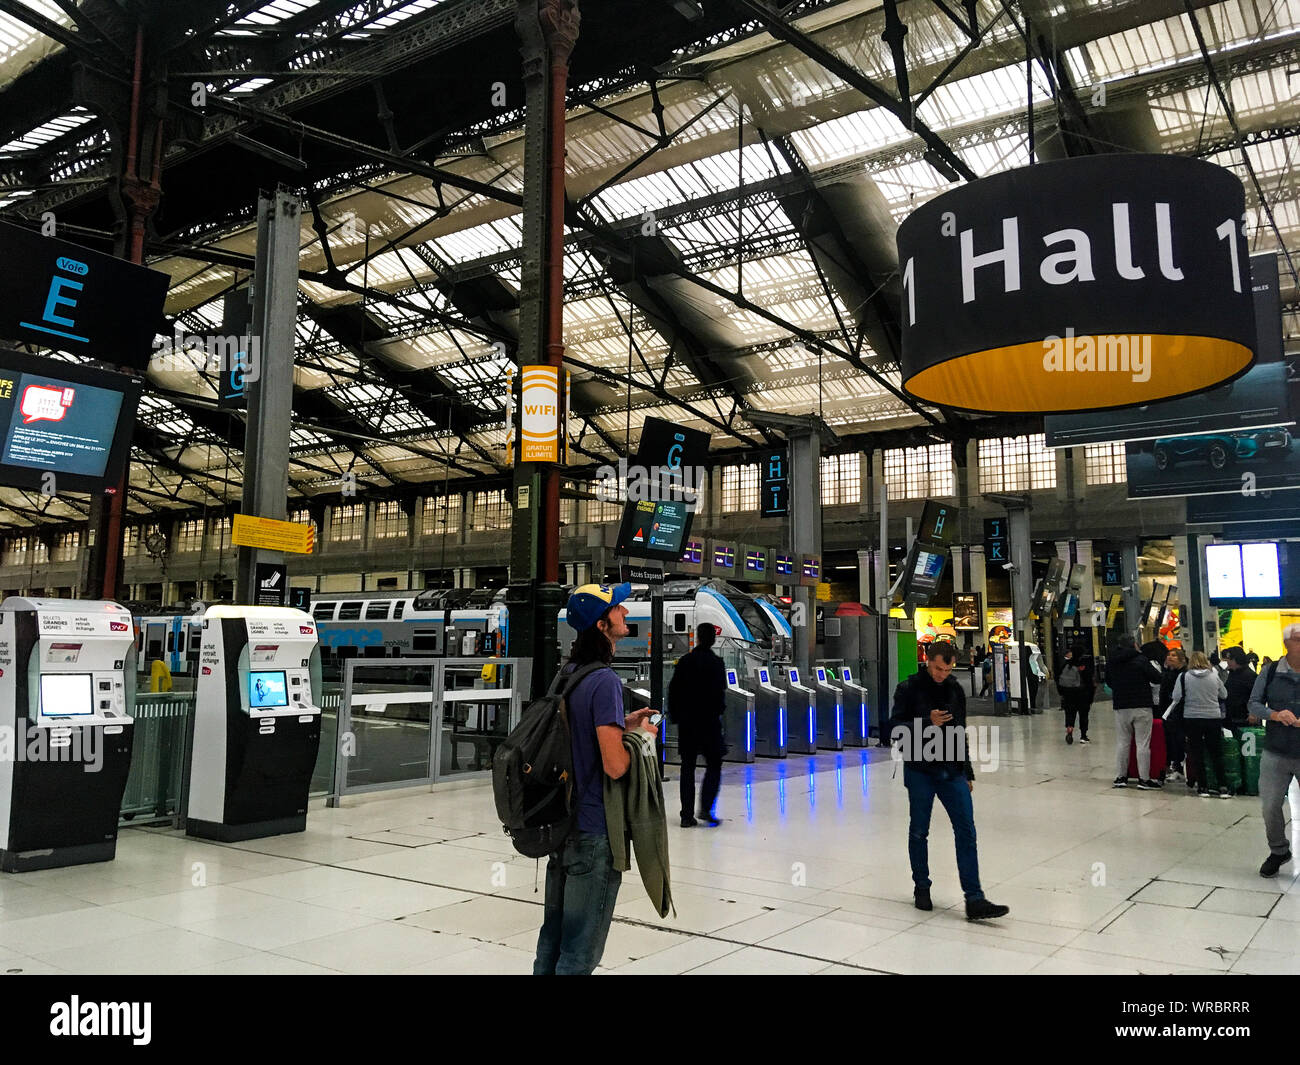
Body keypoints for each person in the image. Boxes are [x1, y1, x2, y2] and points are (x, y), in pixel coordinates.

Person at [533, 583, 658, 976]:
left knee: (553, 938)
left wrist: (621, 723)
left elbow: (580, 735)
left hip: (561, 827)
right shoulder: (603, 680)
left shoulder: (567, 673)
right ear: (602, 624)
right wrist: (643, 738)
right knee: (581, 950)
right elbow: (615, 765)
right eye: (618, 609)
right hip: (593, 831)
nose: (625, 615)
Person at [887, 641, 1009, 920]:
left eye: (948, 668)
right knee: (919, 830)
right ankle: (921, 886)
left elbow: (960, 730)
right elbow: (893, 729)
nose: (942, 674)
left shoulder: (955, 689)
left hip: (951, 770)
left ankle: (975, 898)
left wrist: (966, 771)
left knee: (966, 830)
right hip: (919, 769)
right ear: (928, 661)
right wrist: (926, 720)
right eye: (938, 668)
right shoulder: (909, 689)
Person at [1248, 624, 1300, 877]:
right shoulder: (1269, 672)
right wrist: (1275, 714)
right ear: (1286, 644)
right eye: (1298, 640)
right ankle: (1278, 850)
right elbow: (1254, 703)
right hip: (1276, 751)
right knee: (1270, 806)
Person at [668, 622, 726, 828]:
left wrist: (676, 717)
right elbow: (721, 693)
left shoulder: (685, 662)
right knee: (714, 765)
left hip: (688, 724)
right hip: (709, 723)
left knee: (687, 768)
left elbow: (673, 691)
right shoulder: (718, 664)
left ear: (698, 638)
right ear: (714, 639)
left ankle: (686, 815)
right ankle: (706, 808)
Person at [1106, 634, 1164, 790]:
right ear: (1135, 645)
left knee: (1123, 742)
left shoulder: (1113, 661)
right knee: (1142, 744)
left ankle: (1121, 777)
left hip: (1121, 706)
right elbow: (1157, 678)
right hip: (1141, 705)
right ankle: (1144, 779)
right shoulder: (1141, 660)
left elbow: (1108, 681)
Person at [1168, 651, 1230, 798]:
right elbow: (1224, 694)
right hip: (1213, 717)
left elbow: (1176, 697)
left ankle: (1203, 787)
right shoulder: (1214, 676)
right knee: (1216, 753)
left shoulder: (1184, 677)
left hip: (1192, 718)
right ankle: (1223, 787)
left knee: (1197, 753)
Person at [1057, 640, 1094, 744]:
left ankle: (1069, 730)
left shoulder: (1066, 664)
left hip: (1068, 694)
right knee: (1083, 715)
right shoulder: (1084, 665)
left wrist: (1062, 693)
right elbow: (1089, 681)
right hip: (1083, 694)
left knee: (1069, 713)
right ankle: (1083, 736)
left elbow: (1059, 679)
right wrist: (1091, 695)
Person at [1160, 648, 1187, 781]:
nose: (1170, 657)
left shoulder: (1184, 674)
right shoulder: (1168, 673)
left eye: (1174, 655)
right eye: (1169, 655)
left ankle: (1179, 767)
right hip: (1168, 711)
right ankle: (1173, 765)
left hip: (1179, 711)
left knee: (1179, 740)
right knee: (1171, 740)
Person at [1223, 647, 1259, 737]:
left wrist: (1253, 713)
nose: (1227, 661)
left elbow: (1258, 696)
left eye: (1228, 658)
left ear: (1235, 659)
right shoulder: (1231, 673)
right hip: (1231, 717)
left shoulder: (1250, 676)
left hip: (1245, 719)